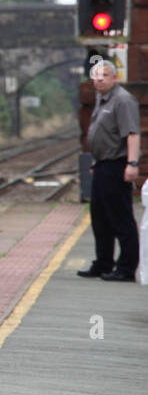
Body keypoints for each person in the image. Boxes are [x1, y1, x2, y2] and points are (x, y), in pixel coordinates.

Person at [78, 60, 141, 281]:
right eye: (96, 76)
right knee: (100, 217)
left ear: (114, 77)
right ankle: (103, 262)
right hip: (103, 165)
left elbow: (132, 134)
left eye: (105, 75)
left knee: (120, 217)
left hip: (117, 164)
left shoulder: (122, 100)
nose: (100, 79)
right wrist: (96, 162)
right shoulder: (102, 99)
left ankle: (126, 267)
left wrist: (132, 164)